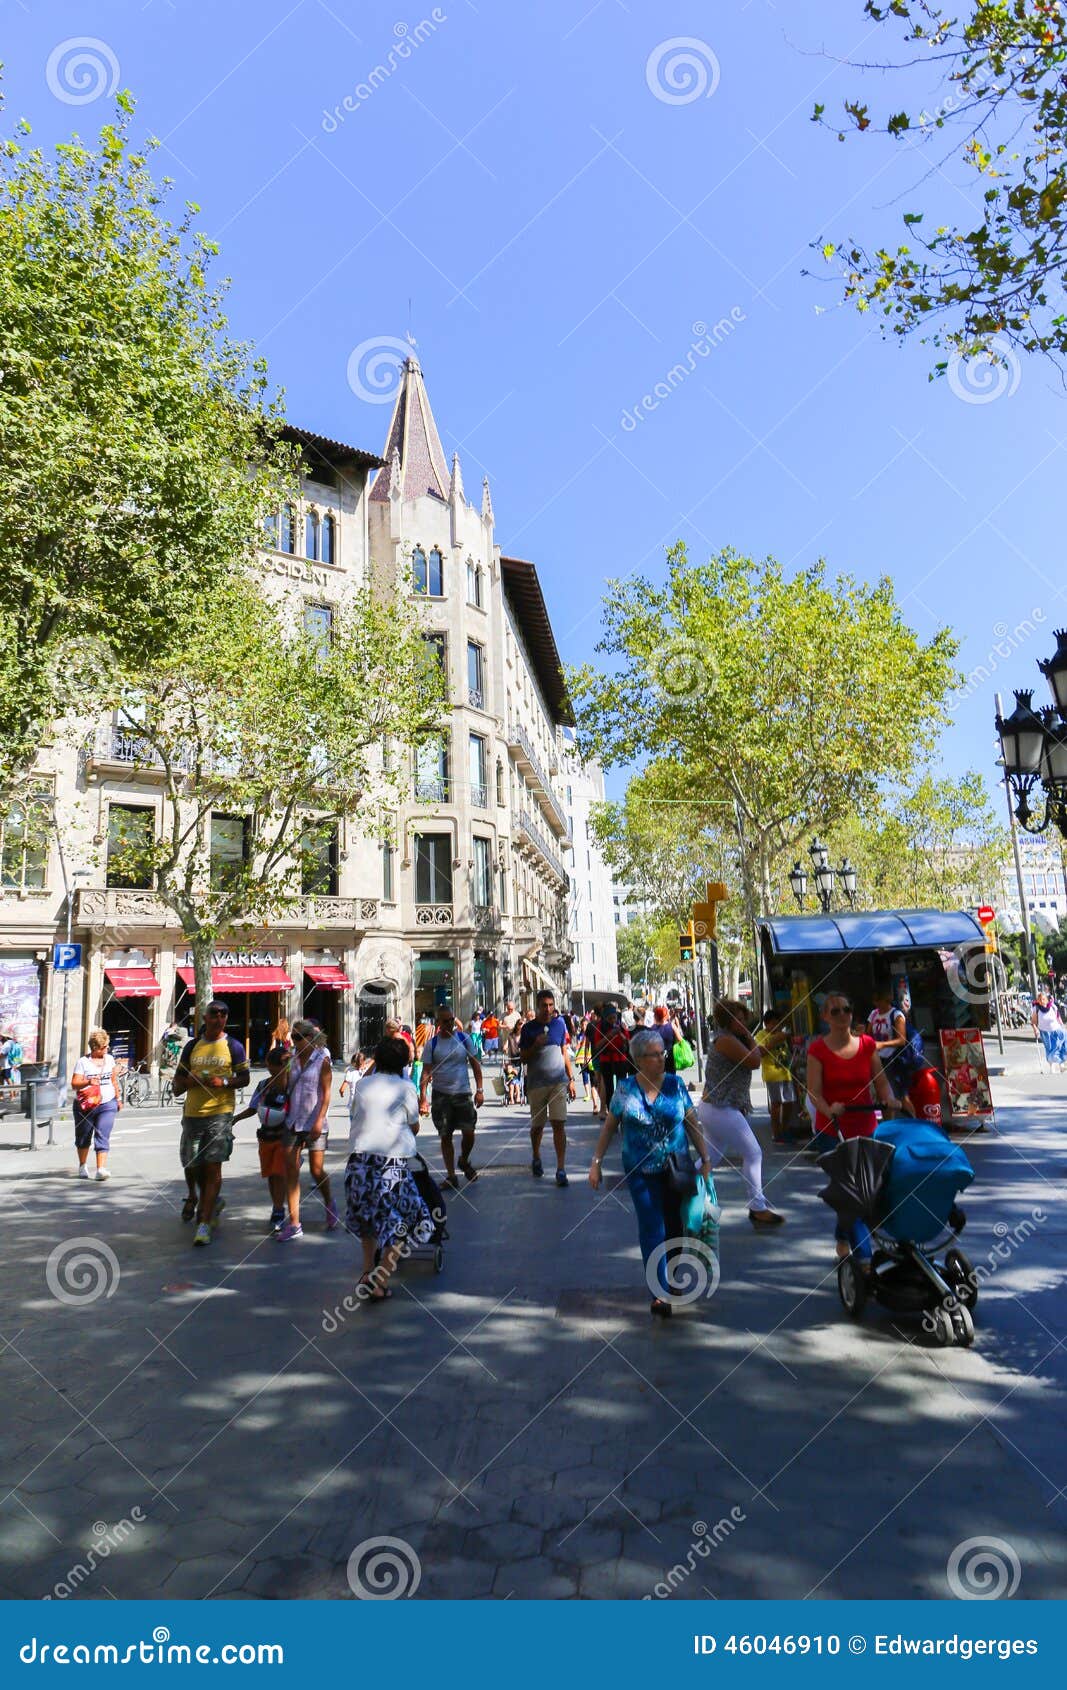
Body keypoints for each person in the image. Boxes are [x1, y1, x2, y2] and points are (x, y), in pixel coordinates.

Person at [588, 1028, 711, 1317]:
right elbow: (609, 1127)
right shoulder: (625, 1089)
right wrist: (596, 1163)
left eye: (662, 1054)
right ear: (640, 1059)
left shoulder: (676, 1085)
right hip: (640, 1169)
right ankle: (659, 1290)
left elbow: (692, 1122)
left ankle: (671, 1272)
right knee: (651, 1225)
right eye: (655, 1055)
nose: (661, 1059)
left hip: (675, 1167)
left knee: (676, 1225)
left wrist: (705, 1157)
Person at [806, 989, 897, 1259]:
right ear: (825, 1016)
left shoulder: (867, 1045)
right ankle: (863, 1256)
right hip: (832, 1130)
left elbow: (880, 1081)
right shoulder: (818, 1050)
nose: (842, 1015)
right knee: (853, 1192)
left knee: (864, 1190)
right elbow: (814, 1092)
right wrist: (828, 1108)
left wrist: (889, 1099)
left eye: (846, 1010)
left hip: (866, 1126)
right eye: (835, 1011)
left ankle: (842, 1236)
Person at [344, 1035, 435, 1300]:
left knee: (368, 1222)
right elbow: (414, 1124)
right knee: (405, 1224)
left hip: (359, 1161)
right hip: (391, 1166)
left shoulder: (362, 1083)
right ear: (404, 1062)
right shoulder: (405, 1087)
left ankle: (366, 1272)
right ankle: (380, 1278)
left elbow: (358, 1114)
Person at [698, 1000, 785, 1228]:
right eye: (737, 1018)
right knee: (754, 1153)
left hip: (717, 1107)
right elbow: (754, 1060)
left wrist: (765, 1041)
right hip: (719, 1108)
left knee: (711, 1157)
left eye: (743, 1017)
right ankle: (758, 1208)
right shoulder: (726, 1040)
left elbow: (755, 1053)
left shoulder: (730, 1039)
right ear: (727, 1020)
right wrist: (749, 1035)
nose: (743, 1022)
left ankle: (679, 1185)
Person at [172, 1000, 250, 1245]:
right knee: (192, 1164)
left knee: (212, 1166)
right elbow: (178, 1080)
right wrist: (189, 1082)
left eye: (224, 1014)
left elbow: (244, 1078)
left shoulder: (233, 1046)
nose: (219, 1018)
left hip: (220, 1114)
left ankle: (204, 1222)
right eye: (214, 1014)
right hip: (193, 1113)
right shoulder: (193, 1046)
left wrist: (224, 1083)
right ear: (204, 1018)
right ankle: (198, 1197)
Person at [278, 1017, 338, 1240]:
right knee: (290, 1171)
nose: (294, 1042)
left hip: (314, 1121)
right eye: (292, 1038)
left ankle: (329, 1201)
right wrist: (283, 1069)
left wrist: (320, 1120)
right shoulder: (291, 1060)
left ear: (310, 1039)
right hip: (293, 1120)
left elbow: (326, 1093)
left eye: (298, 1038)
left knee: (316, 1170)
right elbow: (284, 1088)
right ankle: (294, 1223)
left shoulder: (322, 1061)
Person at [419, 1005, 484, 1188]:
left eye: (451, 1020)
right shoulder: (432, 1044)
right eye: (445, 1021)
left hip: (463, 1093)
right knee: (445, 1135)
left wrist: (480, 1090)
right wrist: (423, 1098)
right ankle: (451, 1175)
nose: (449, 1024)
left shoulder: (464, 1039)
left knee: (469, 1132)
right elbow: (425, 1072)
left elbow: (475, 1065)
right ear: (438, 1023)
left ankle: (463, 1159)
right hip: (441, 1095)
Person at [520, 988, 577, 1185]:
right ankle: (536, 1156)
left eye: (551, 1005)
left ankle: (561, 1169)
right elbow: (523, 1058)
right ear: (537, 1007)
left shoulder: (559, 1025)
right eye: (544, 1005)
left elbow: (564, 1053)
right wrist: (535, 1045)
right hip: (536, 1084)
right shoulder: (528, 1029)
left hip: (557, 1082)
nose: (548, 1009)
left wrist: (571, 1079)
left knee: (558, 1124)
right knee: (537, 1127)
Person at [233, 1046, 292, 1231]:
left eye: (273, 1068)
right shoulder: (263, 1085)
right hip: (266, 1136)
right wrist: (236, 1119)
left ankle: (278, 1210)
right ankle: (277, 1206)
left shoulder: (292, 1086)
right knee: (271, 1174)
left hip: (284, 1137)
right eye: (269, 1069)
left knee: (279, 1173)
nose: (270, 1072)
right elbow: (253, 1107)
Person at [71, 1028, 121, 1181]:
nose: (107, 1049)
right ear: (95, 1048)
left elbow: (113, 1080)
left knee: (102, 1134)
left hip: (107, 1103)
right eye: (104, 1047)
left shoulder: (110, 1059)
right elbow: (74, 1084)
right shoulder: (83, 1062)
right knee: (83, 1136)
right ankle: (82, 1165)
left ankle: (101, 1169)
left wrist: (118, 1098)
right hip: (86, 1105)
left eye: (107, 1046)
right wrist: (88, 1081)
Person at [755, 1008, 799, 1143]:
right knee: (776, 1104)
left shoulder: (782, 1034)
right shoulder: (761, 1035)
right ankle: (776, 1133)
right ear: (766, 1024)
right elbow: (760, 1052)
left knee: (789, 1102)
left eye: (778, 1023)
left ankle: (785, 1130)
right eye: (773, 1023)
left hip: (786, 1073)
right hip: (772, 1074)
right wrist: (775, 1039)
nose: (776, 1026)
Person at [591, 1003, 632, 1112]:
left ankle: (622, 1109)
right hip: (606, 1060)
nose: (613, 1020)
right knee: (609, 1088)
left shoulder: (621, 1026)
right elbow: (597, 1045)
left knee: (621, 1086)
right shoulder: (600, 1027)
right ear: (605, 1017)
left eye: (614, 1017)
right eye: (610, 1018)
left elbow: (628, 1042)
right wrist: (609, 1036)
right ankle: (612, 1111)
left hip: (620, 1059)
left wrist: (623, 1037)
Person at [1033, 990, 1067, 1070]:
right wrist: (1035, 1029)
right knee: (1050, 1049)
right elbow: (1033, 1022)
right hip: (1045, 1032)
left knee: (1060, 1046)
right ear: (1038, 1000)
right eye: (1040, 999)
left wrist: (1062, 1026)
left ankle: (1061, 1065)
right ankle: (1051, 1066)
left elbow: (1058, 1017)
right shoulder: (1036, 1008)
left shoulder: (1052, 1006)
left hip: (1056, 1030)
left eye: (1043, 999)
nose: (1042, 1001)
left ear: (1047, 1000)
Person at [651, 1004, 677, 1073]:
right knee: (671, 1078)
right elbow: (680, 1040)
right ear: (666, 1015)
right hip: (670, 1057)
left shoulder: (652, 1028)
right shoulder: (672, 1026)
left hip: (657, 1058)